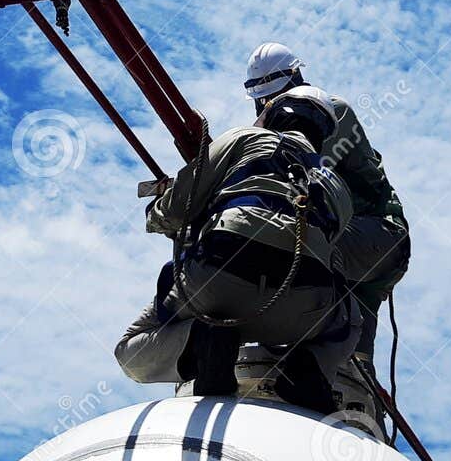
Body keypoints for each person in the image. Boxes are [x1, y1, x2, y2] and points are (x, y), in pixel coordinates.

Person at [114, 93, 359, 413]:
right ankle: (308, 369)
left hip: (218, 281)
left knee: (130, 352)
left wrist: (156, 213)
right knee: (350, 315)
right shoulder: (339, 189)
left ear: (275, 115)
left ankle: (203, 343)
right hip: (298, 311)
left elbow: (179, 207)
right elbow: (329, 259)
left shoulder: (245, 137)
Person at [242, 43, 410, 359]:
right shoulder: (276, 134)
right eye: (262, 102)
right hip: (345, 240)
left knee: (287, 242)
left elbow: (301, 173)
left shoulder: (330, 114)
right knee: (351, 359)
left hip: (377, 234)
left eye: (271, 99)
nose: (269, 106)